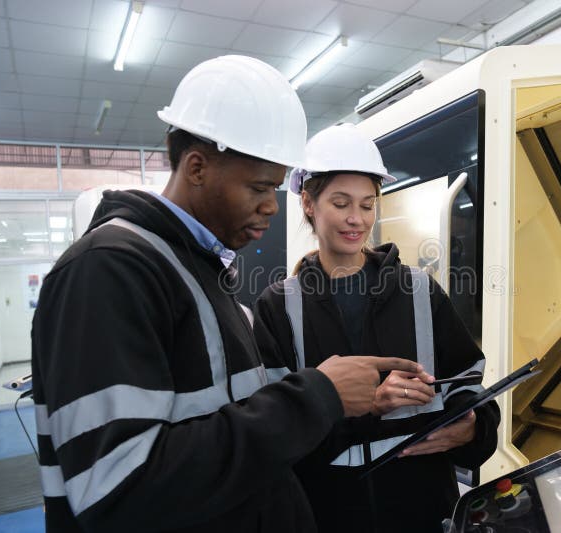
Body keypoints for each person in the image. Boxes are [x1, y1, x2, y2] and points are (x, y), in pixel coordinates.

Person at [30, 56, 429, 532]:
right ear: (196, 167)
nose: (269, 207)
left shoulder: (200, 274)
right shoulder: (109, 270)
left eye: (277, 189)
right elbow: (119, 488)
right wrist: (317, 394)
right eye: (259, 187)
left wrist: (340, 406)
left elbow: (238, 438)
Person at [253, 123, 501, 533]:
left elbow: (470, 388)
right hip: (327, 515)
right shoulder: (278, 307)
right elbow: (275, 432)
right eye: (341, 203)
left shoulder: (419, 290)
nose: (356, 219)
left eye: (367, 205)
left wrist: (474, 429)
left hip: (423, 513)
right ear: (309, 204)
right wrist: (365, 407)